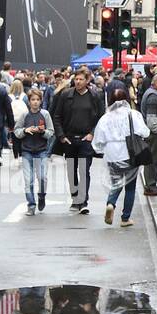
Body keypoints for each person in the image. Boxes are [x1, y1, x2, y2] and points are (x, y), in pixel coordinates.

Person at [52, 69, 106, 214]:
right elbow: (57, 116)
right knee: (71, 170)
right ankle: (75, 198)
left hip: (85, 140)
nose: (78, 82)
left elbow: (101, 117)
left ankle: (83, 201)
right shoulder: (66, 95)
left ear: (87, 80)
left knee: (84, 170)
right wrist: (61, 136)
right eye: (76, 79)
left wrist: (92, 134)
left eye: (81, 79)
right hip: (69, 139)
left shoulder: (95, 96)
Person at [93, 87, 150, 227]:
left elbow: (98, 140)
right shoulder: (134, 115)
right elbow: (144, 132)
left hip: (112, 154)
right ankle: (125, 218)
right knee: (130, 187)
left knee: (116, 183)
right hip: (130, 153)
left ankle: (111, 203)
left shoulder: (105, 118)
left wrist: (102, 149)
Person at [16, 89, 55, 215]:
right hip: (26, 151)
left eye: (38, 99)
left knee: (42, 177)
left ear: (41, 101)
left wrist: (42, 132)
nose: (35, 102)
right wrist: (25, 130)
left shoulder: (45, 114)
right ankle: (31, 205)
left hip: (41, 151)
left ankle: (41, 196)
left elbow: (51, 132)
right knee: (29, 181)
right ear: (29, 101)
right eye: (33, 99)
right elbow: (17, 131)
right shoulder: (24, 115)